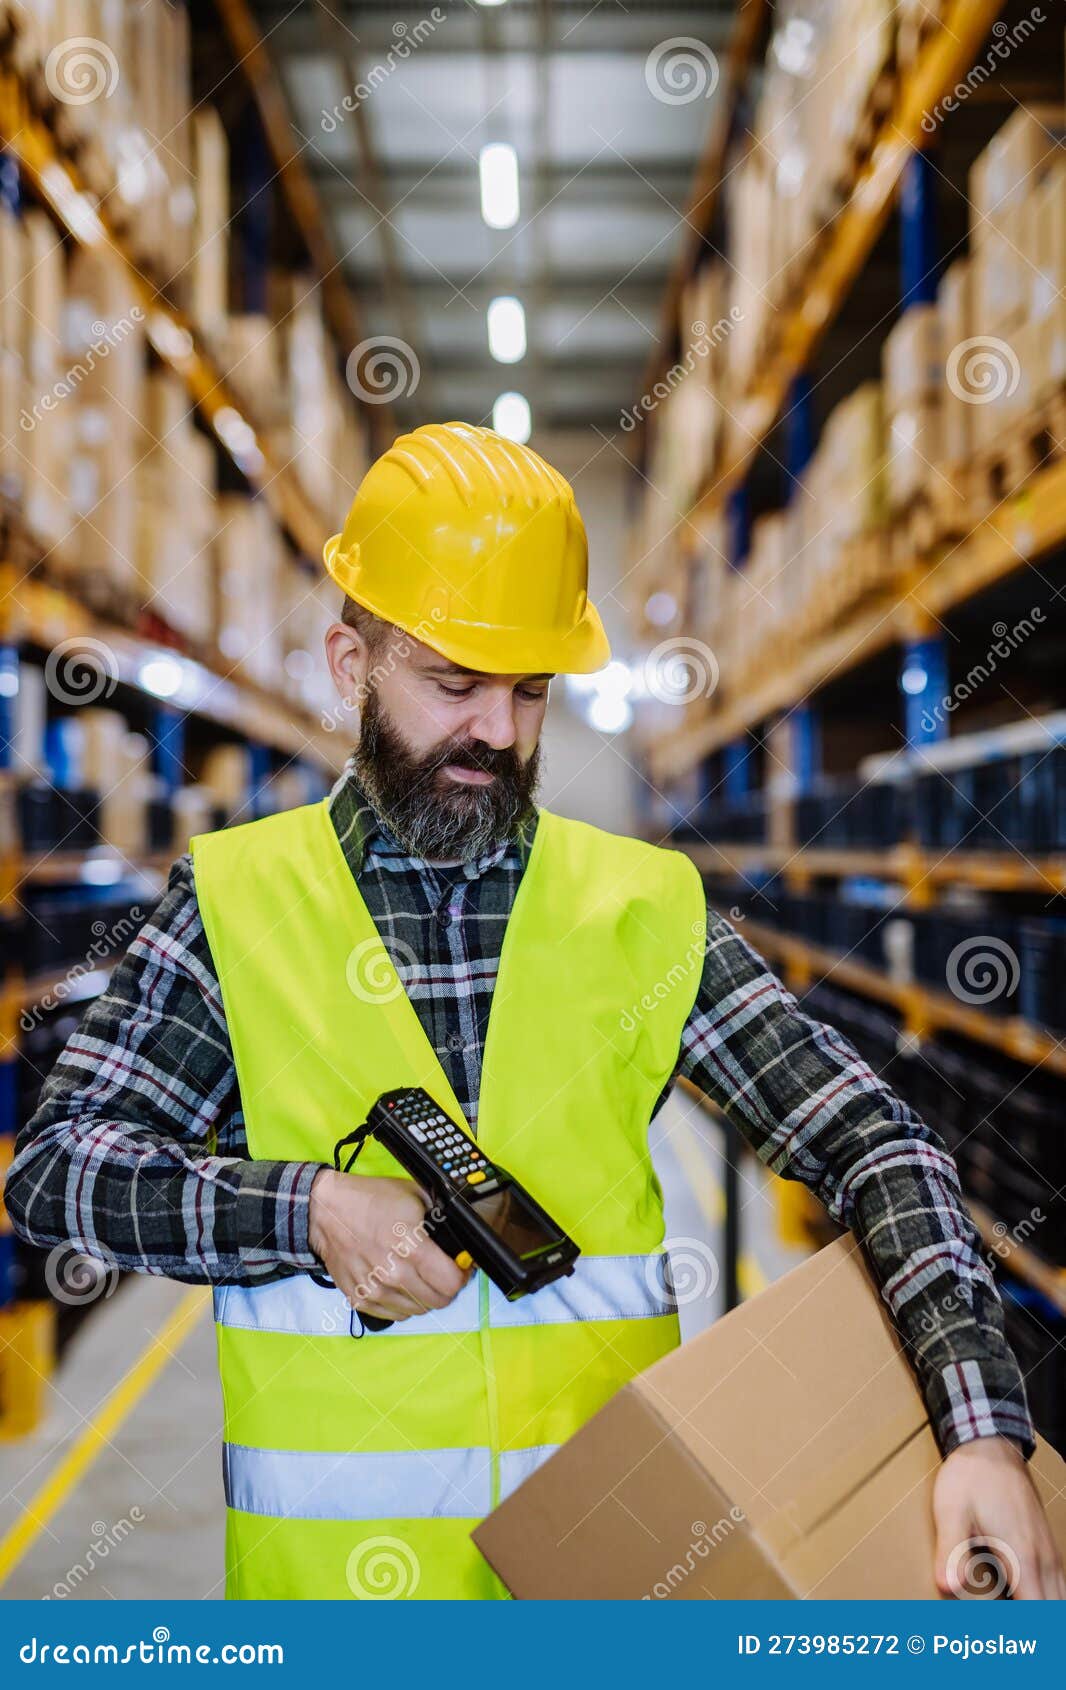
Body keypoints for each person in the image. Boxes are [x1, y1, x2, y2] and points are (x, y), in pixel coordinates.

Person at [8, 423, 1064, 1601]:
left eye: (528, 691)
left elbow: (871, 1140)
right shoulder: (237, 902)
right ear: (349, 662)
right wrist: (302, 1209)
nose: (499, 734)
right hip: (341, 1621)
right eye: (453, 685)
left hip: (612, 1590)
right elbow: (58, 1170)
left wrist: (979, 1431)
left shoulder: (641, 909)